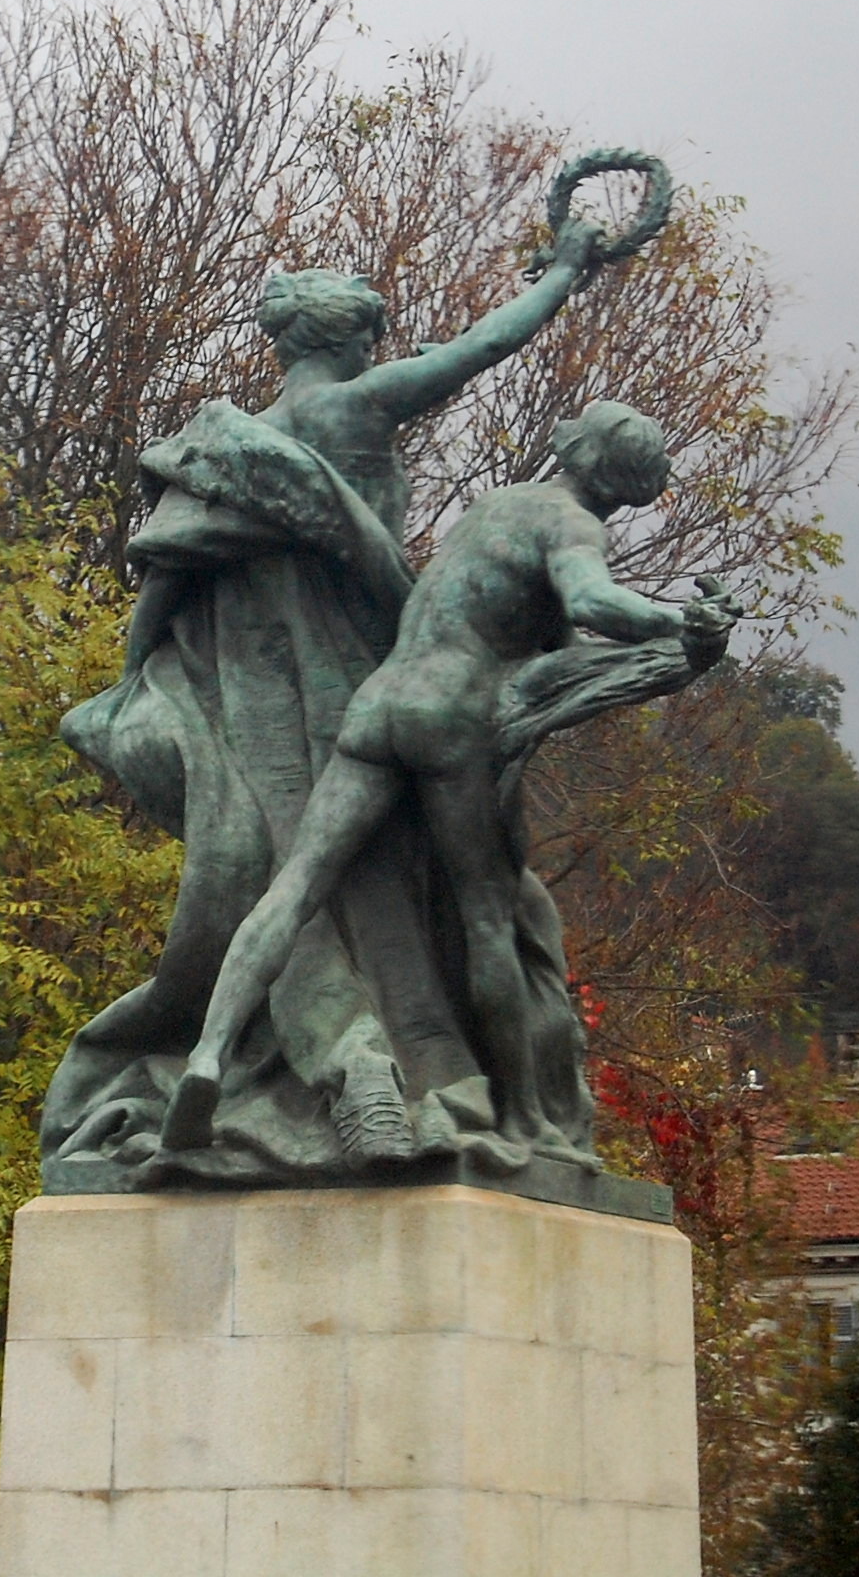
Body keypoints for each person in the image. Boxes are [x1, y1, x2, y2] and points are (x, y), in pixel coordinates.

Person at [39, 221, 613, 1180]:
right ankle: (387, 1070)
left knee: (284, 877)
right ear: (347, 345)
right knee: (407, 887)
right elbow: (483, 348)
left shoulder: (224, 449)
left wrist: (132, 682)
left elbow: (161, 584)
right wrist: (563, 272)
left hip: (232, 696)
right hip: (356, 685)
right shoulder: (352, 412)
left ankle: (290, 1059)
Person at [161, 401, 730, 1161]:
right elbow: (590, 602)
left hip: (380, 704)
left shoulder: (496, 507)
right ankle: (523, 1117)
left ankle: (209, 1052)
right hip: (452, 722)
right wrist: (678, 624)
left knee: (295, 886)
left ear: (573, 445)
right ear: (629, 486)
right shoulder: (574, 529)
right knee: (487, 920)